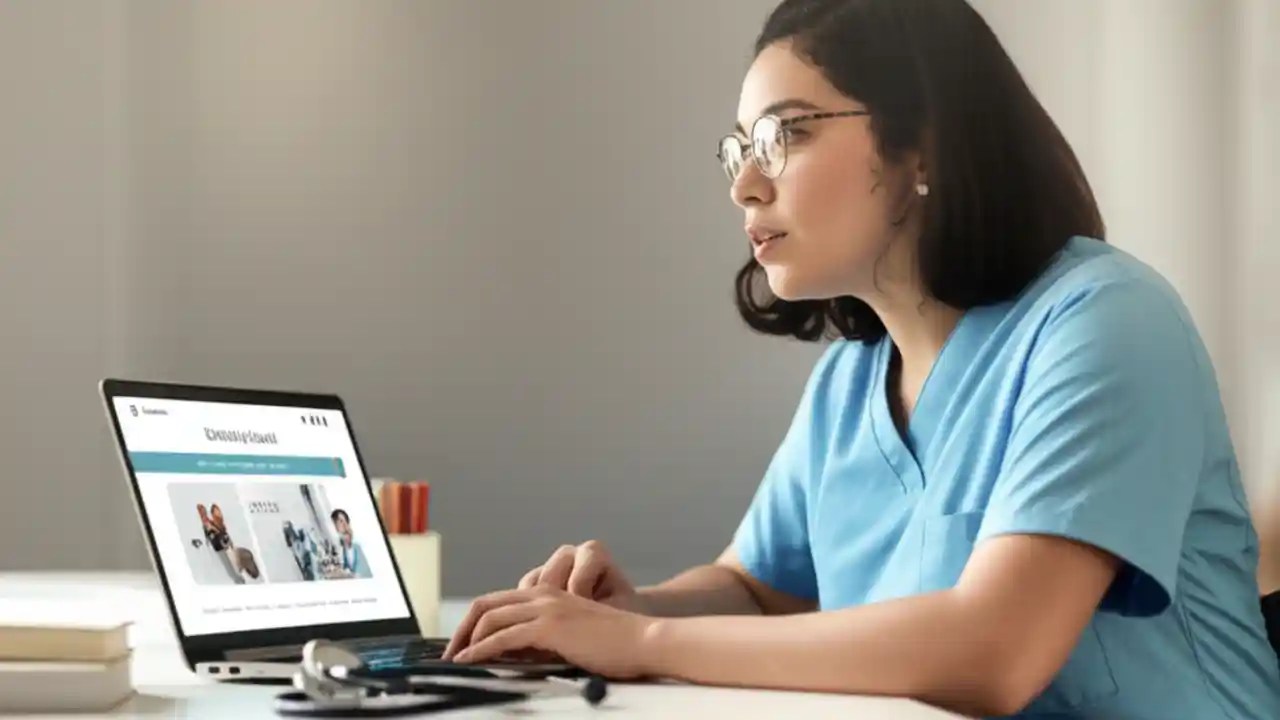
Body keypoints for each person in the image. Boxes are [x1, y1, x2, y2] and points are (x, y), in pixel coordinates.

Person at [443, 1, 1280, 717]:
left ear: (922, 149)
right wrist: (617, 610)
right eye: (740, 150)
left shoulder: (1105, 323)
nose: (744, 186)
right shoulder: (849, 384)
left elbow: (997, 648)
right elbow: (760, 589)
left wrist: (645, 641)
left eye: (785, 135)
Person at [331, 509, 370, 579]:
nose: (345, 525)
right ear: (334, 524)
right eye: (340, 521)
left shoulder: (356, 546)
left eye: (346, 521)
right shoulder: (335, 546)